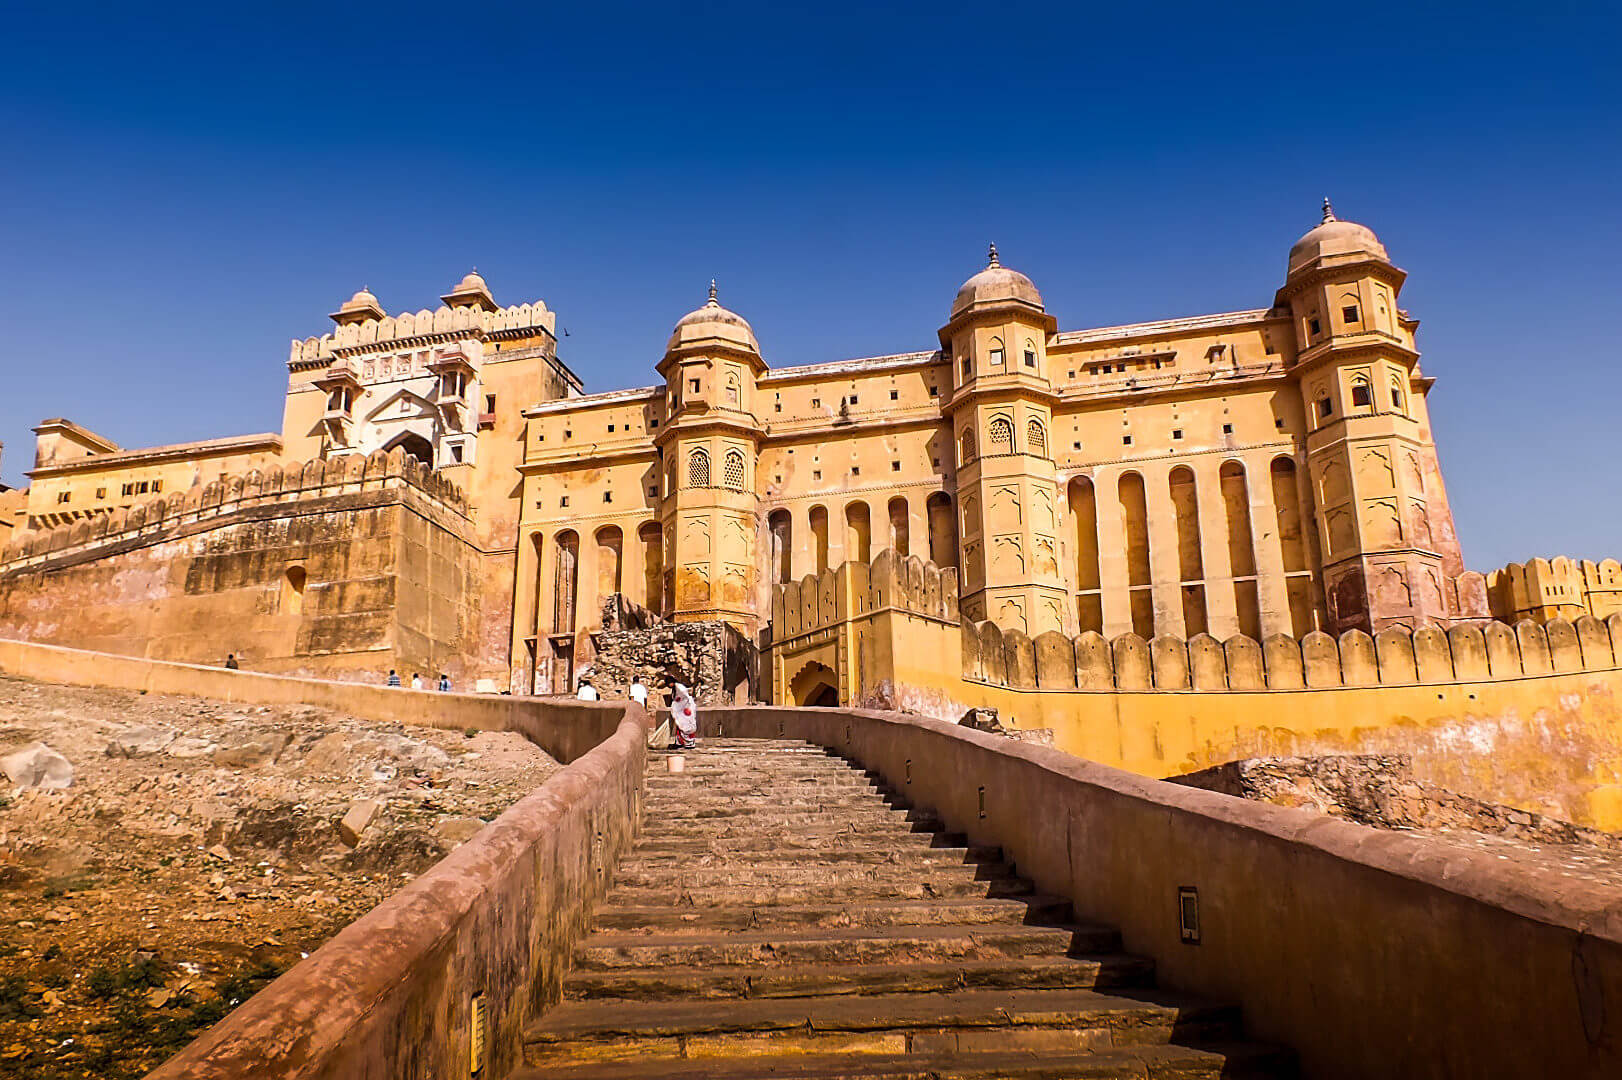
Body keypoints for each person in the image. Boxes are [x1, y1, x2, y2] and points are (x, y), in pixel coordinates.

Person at [670, 681, 698, 749]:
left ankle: (689, 743)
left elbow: (683, 696)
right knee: (679, 726)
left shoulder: (679, 687)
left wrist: (678, 704)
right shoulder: (676, 688)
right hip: (682, 710)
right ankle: (679, 742)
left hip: (685, 709)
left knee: (686, 726)